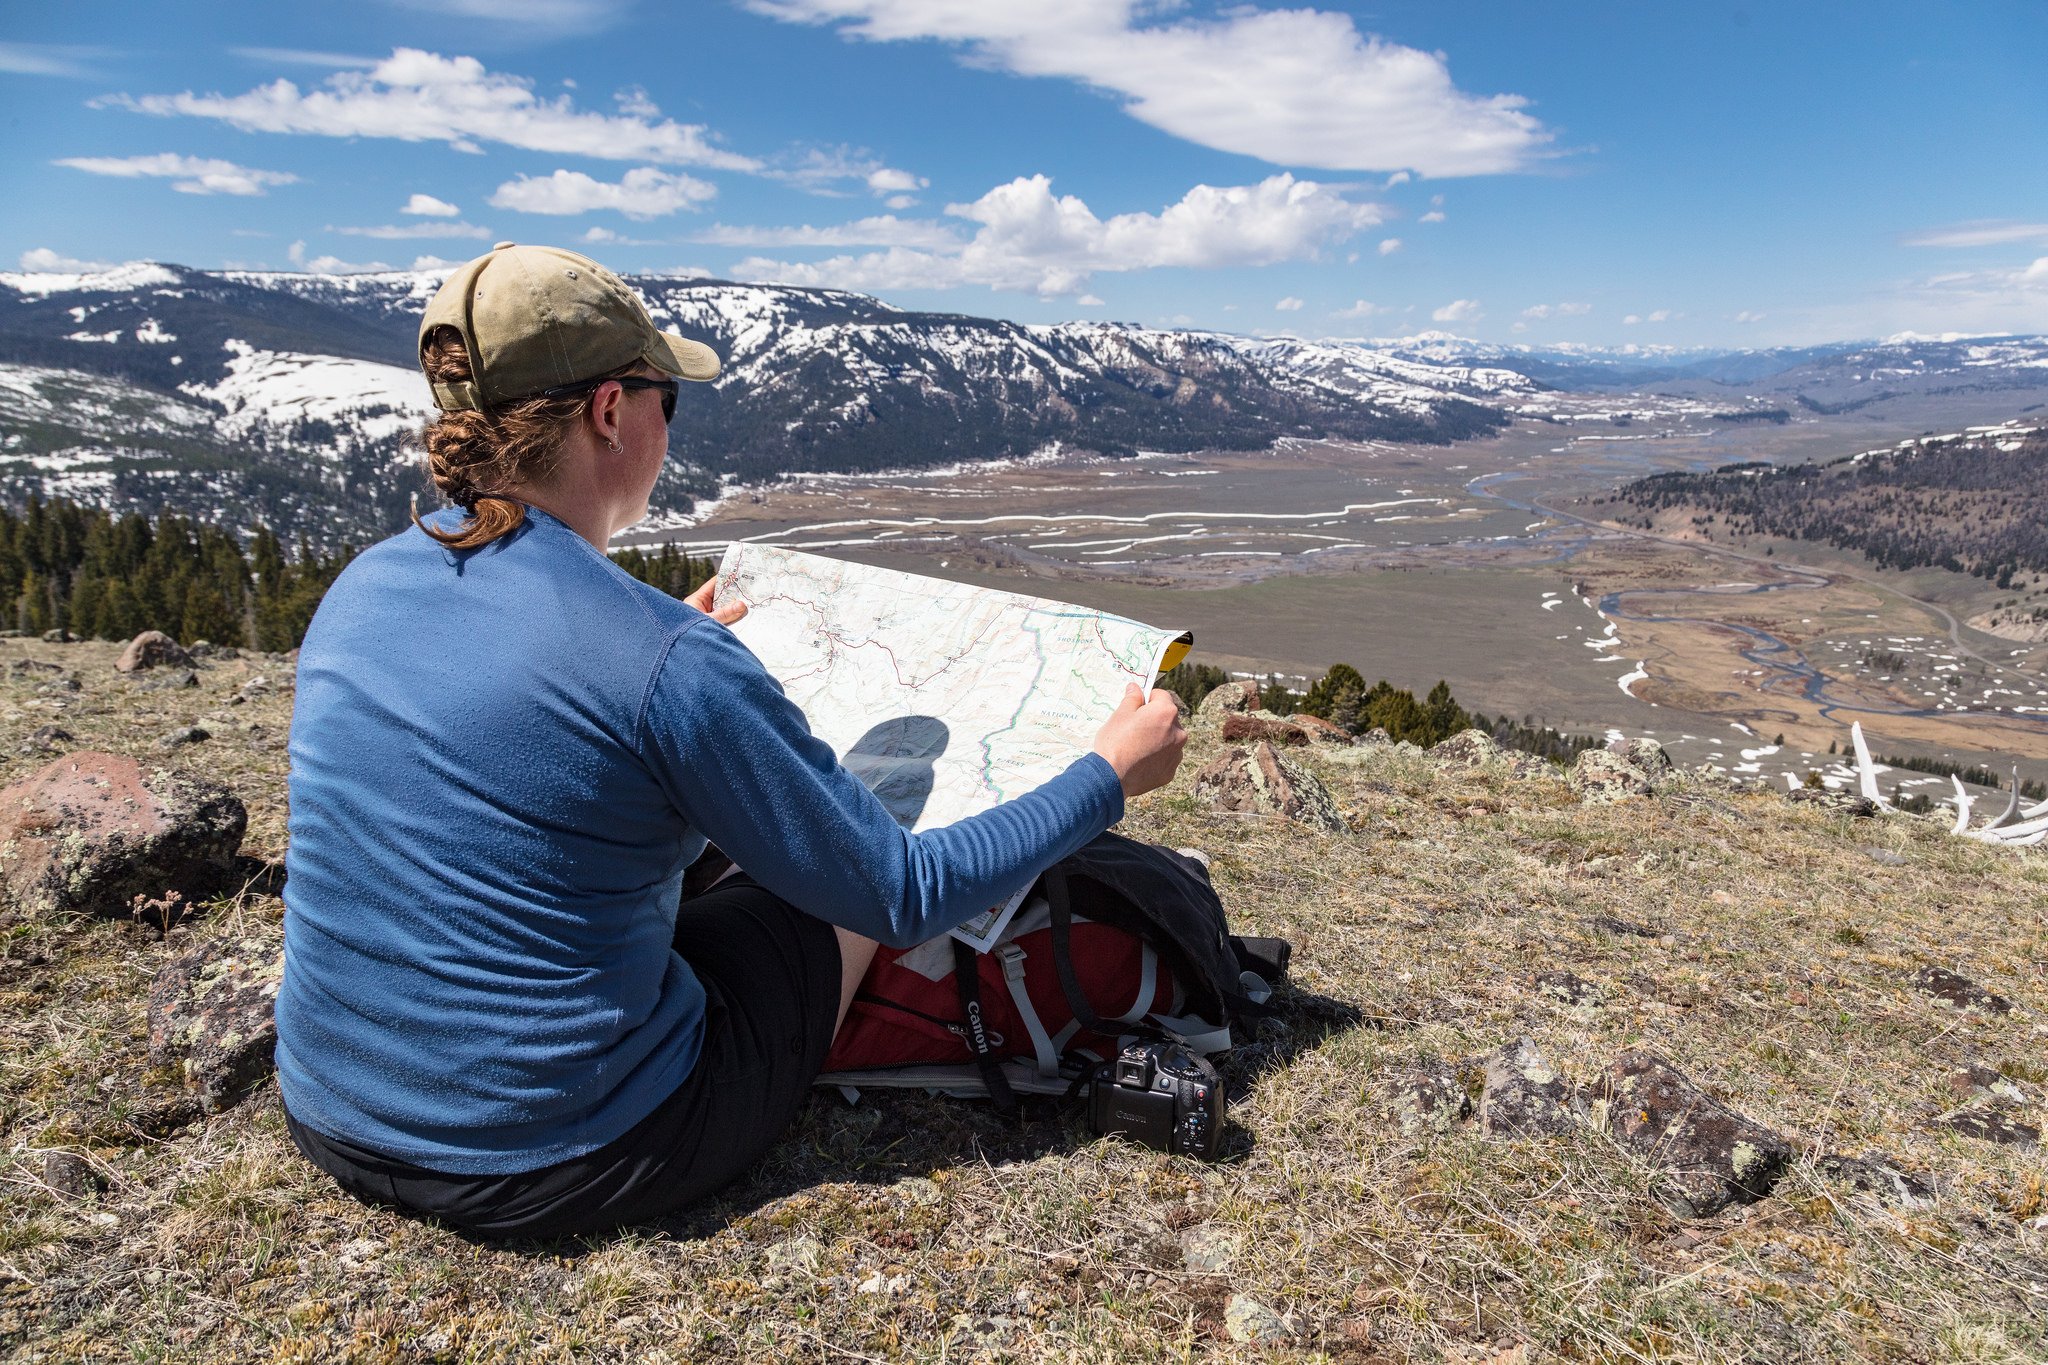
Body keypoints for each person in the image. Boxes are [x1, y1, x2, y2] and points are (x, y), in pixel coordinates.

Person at [274, 242, 1188, 1240]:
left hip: (330, 1107)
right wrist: (1107, 776)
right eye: (669, 398)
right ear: (610, 411)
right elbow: (898, 894)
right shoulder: (658, 660)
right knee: (818, 896)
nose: (668, 423)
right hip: (554, 1158)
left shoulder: (363, 584)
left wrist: (666, 652)